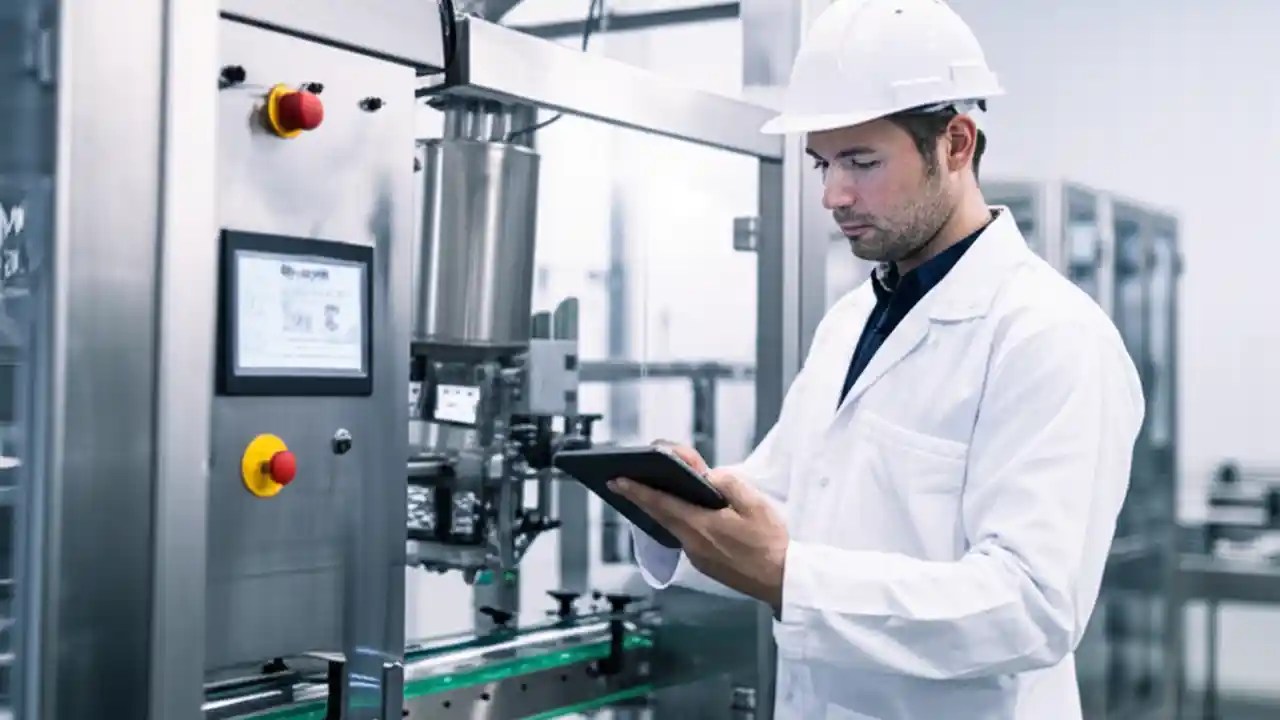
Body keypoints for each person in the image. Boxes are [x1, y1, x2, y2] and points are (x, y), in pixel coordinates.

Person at [607, 1, 1145, 718]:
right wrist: (682, 505)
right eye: (823, 163)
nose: (833, 194)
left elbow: (1033, 607)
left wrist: (791, 575)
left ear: (956, 144)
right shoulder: (851, 319)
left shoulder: (1051, 336)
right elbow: (790, 497)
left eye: (862, 161)